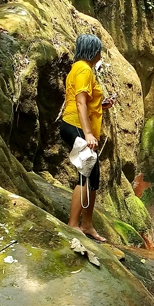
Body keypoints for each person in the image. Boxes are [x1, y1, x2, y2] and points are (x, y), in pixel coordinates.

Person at [58, 34, 115, 243]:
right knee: (86, 174)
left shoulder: (82, 69)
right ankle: (74, 225)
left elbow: (88, 102)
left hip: (76, 126)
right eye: (99, 50)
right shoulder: (83, 69)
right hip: (75, 126)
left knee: (93, 176)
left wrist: (102, 105)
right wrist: (88, 133)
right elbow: (80, 103)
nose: (100, 55)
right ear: (92, 51)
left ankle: (87, 224)